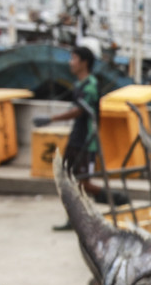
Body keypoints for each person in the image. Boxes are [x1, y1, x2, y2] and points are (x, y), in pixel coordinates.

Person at [33, 45, 105, 230]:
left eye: (73, 59)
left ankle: (113, 196)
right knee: (67, 180)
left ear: (84, 62)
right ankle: (73, 219)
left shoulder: (91, 84)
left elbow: (79, 111)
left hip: (87, 141)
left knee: (82, 182)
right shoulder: (79, 85)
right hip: (76, 138)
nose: (70, 63)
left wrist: (51, 119)